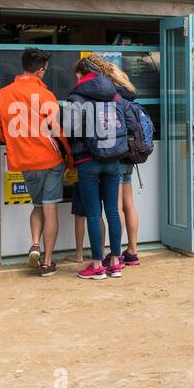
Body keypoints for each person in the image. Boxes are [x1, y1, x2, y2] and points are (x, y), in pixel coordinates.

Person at [0, 48, 69, 276]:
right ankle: (46, 262)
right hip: (49, 159)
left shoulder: (2, 95)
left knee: (37, 206)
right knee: (50, 207)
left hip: (24, 161)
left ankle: (35, 244)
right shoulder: (46, 95)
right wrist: (68, 154)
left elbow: (0, 133)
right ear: (41, 70)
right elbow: (56, 129)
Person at [64, 57, 126, 280]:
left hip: (87, 160)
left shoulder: (76, 96)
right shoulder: (114, 94)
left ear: (81, 73)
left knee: (93, 212)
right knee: (112, 211)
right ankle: (116, 263)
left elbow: (70, 130)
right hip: (113, 158)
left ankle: (98, 265)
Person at [86, 56, 142, 266]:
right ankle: (133, 251)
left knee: (114, 207)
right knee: (129, 204)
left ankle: (114, 255)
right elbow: (133, 127)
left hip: (116, 155)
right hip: (129, 155)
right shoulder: (129, 95)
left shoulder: (113, 97)